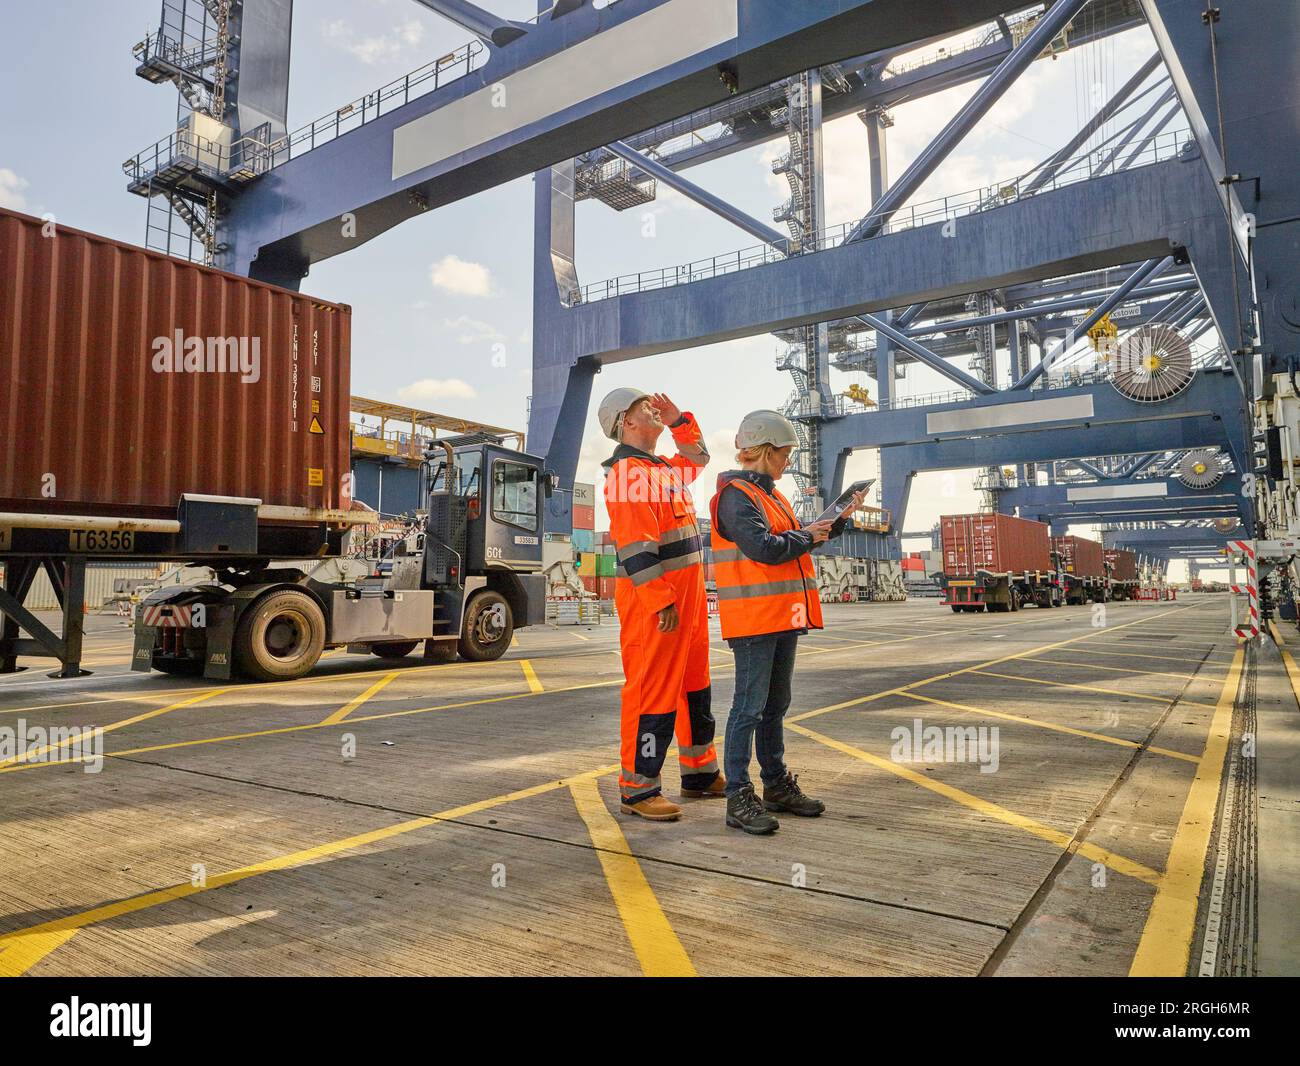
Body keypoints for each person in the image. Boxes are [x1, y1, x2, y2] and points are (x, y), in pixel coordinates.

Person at [708, 410, 863, 835]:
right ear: (763, 450)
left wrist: (838, 519)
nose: (788, 461)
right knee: (748, 707)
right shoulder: (735, 496)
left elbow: (796, 541)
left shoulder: (772, 496)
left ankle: (775, 784)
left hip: (782, 616)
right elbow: (763, 548)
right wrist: (807, 536)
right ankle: (738, 796)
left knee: (776, 706)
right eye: (784, 453)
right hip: (754, 620)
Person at [599, 388, 722, 821]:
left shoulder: (663, 470)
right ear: (625, 423)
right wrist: (658, 599)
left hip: (686, 597)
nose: (651, 409)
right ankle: (639, 788)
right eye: (643, 408)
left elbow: (700, 457)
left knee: (694, 683)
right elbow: (635, 545)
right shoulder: (626, 474)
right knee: (652, 689)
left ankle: (699, 772)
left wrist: (678, 420)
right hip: (658, 599)